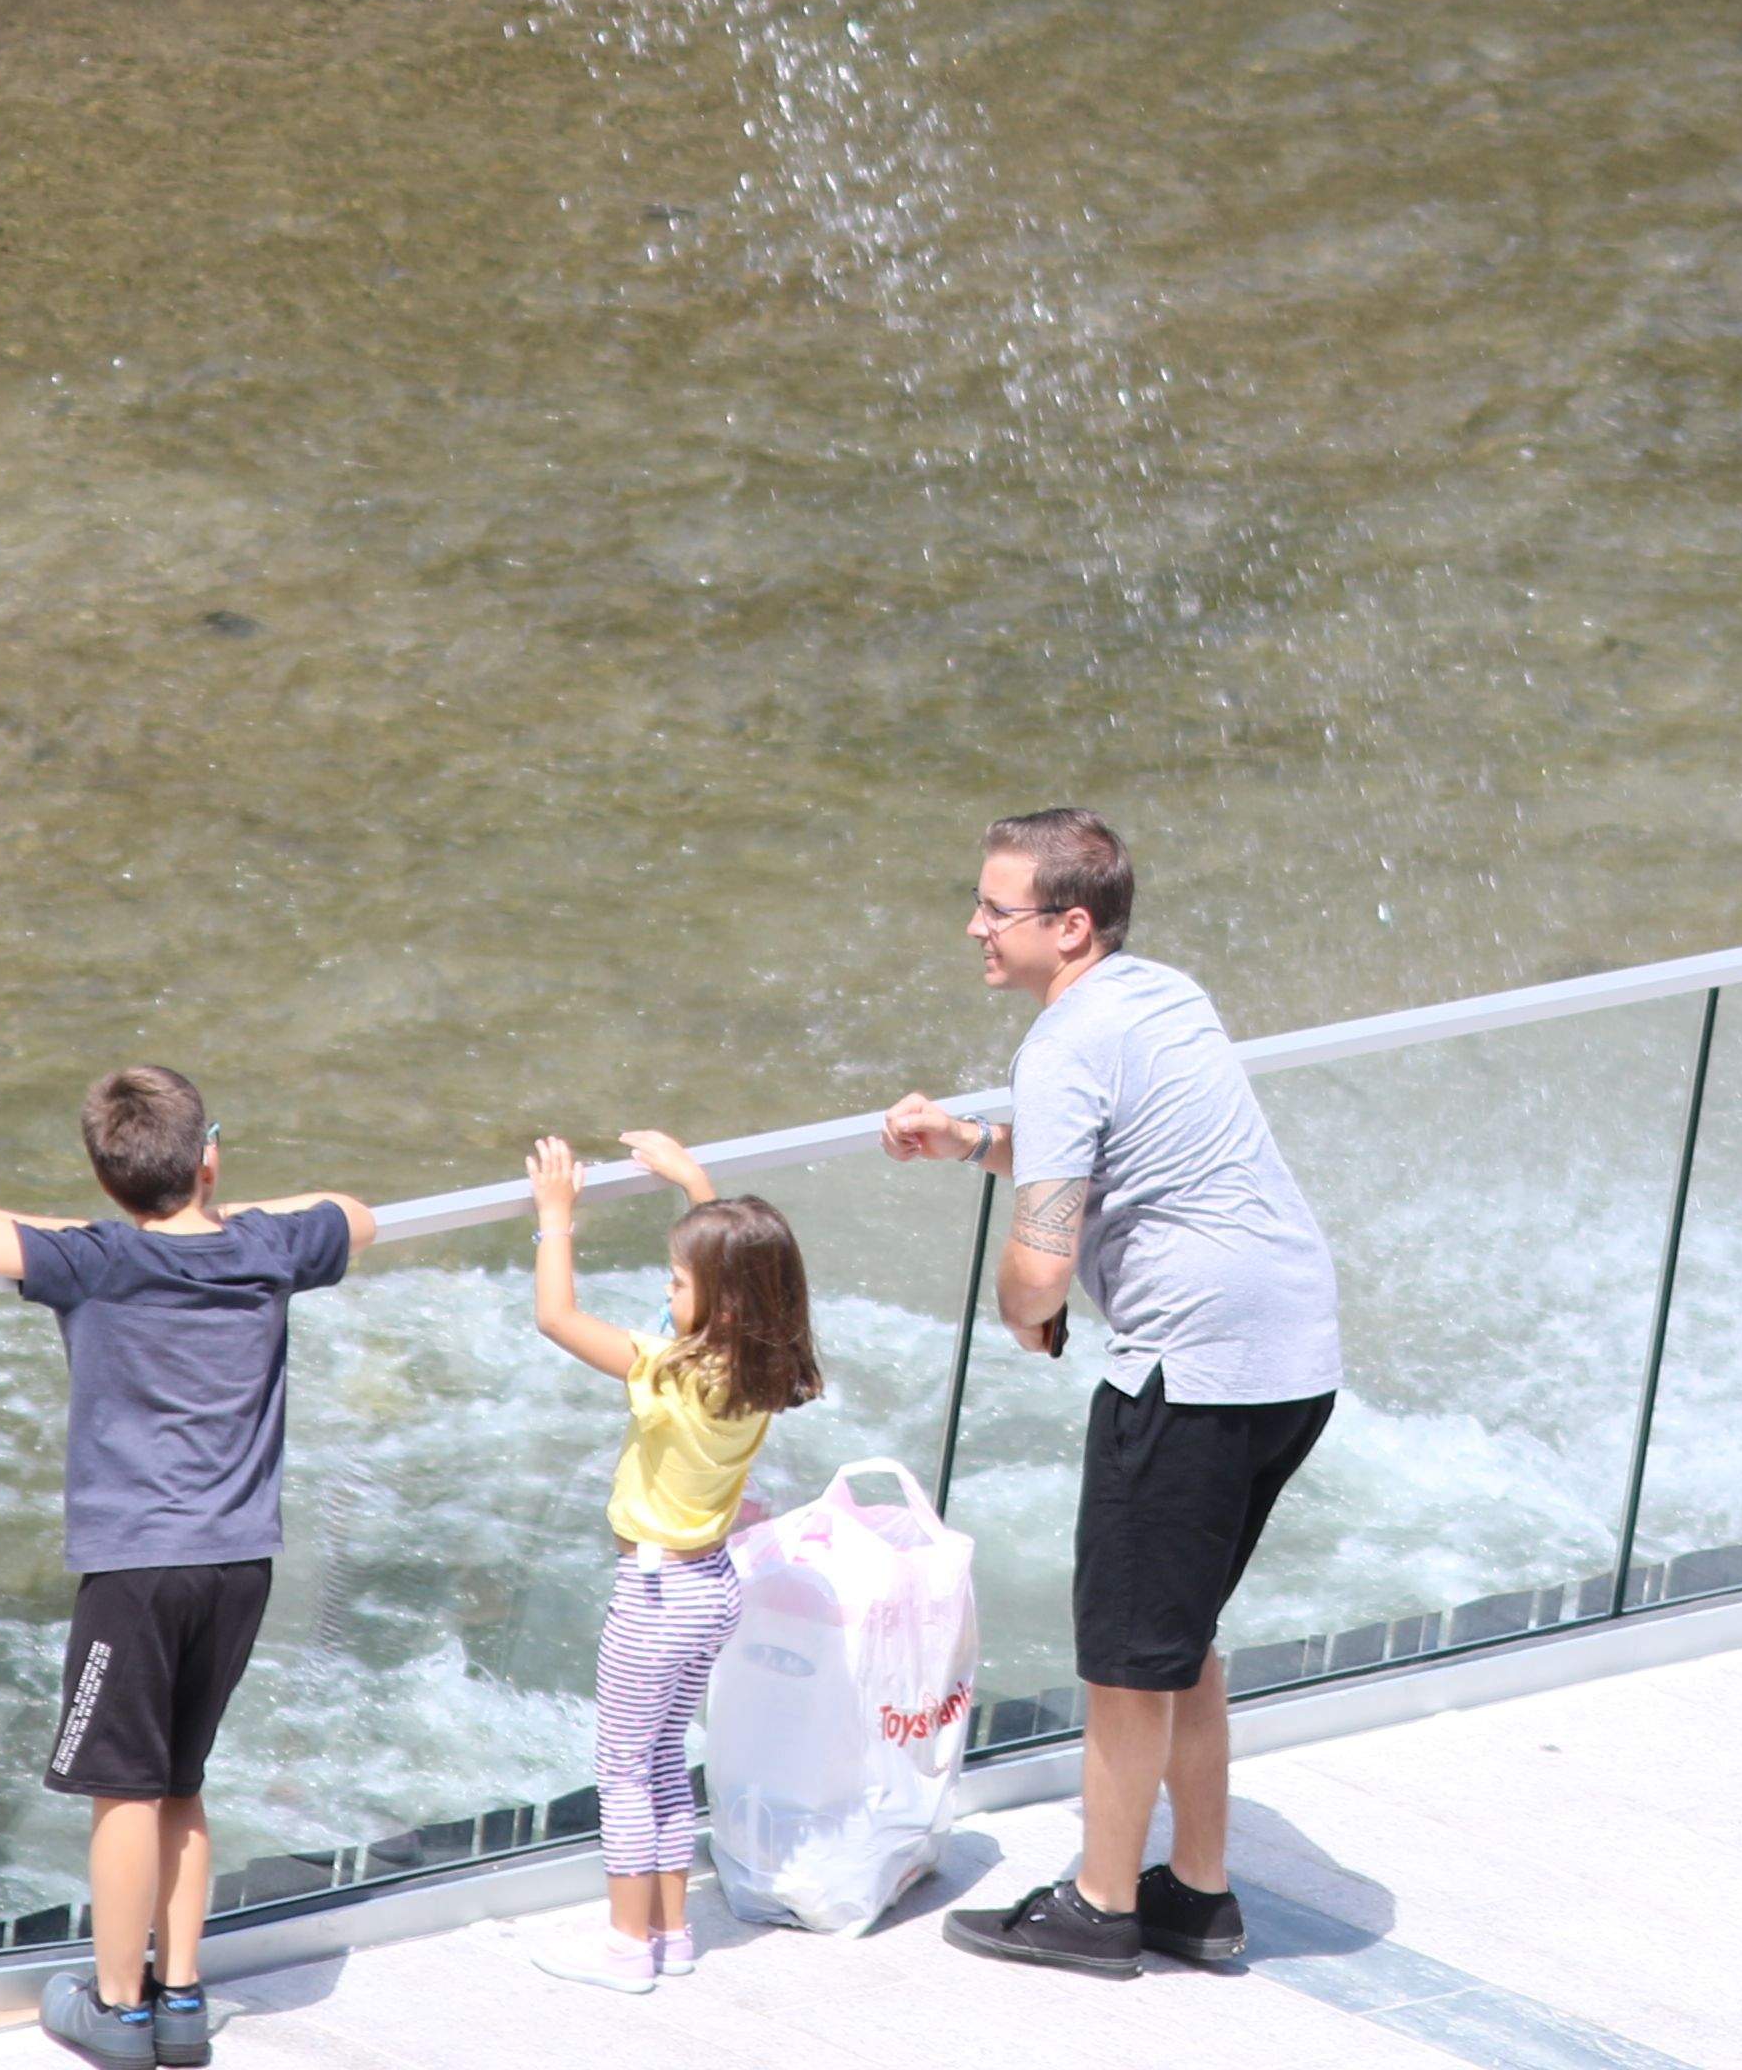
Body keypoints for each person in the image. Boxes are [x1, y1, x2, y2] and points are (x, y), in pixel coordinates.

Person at [884, 807, 1340, 1979]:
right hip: (1290, 1358)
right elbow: (1100, 1154)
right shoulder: (1162, 995)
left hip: (1190, 1373)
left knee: (1130, 1659)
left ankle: (1099, 1906)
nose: (975, 927)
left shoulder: (1063, 1043)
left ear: (1069, 926)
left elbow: (1040, 1260)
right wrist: (969, 1140)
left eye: (997, 909)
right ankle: (1197, 1895)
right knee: (1180, 1639)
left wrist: (1029, 1310)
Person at [0, 1069, 379, 2070]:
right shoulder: (264, 1249)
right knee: (182, 1783)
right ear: (208, 1156)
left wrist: (95, 1227)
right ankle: (179, 1996)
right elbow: (356, 1214)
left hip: (135, 1570)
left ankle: (116, 2009)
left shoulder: (93, 1261)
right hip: (239, 1562)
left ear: (106, 1174)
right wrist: (224, 1211)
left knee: (123, 1794)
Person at [517, 1125, 829, 1994]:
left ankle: (625, 1949)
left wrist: (556, 1215)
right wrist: (695, 1183)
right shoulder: (753, 1370)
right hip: (708, 1587)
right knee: (660, 1762)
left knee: (622, 1768)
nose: (668, 1288)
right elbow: (730, 1276)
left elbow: (556, 1317)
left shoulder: (669, 1373)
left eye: (678, 1279)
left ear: (718, 1304)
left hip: (655, 1596)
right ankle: (671, 1932)